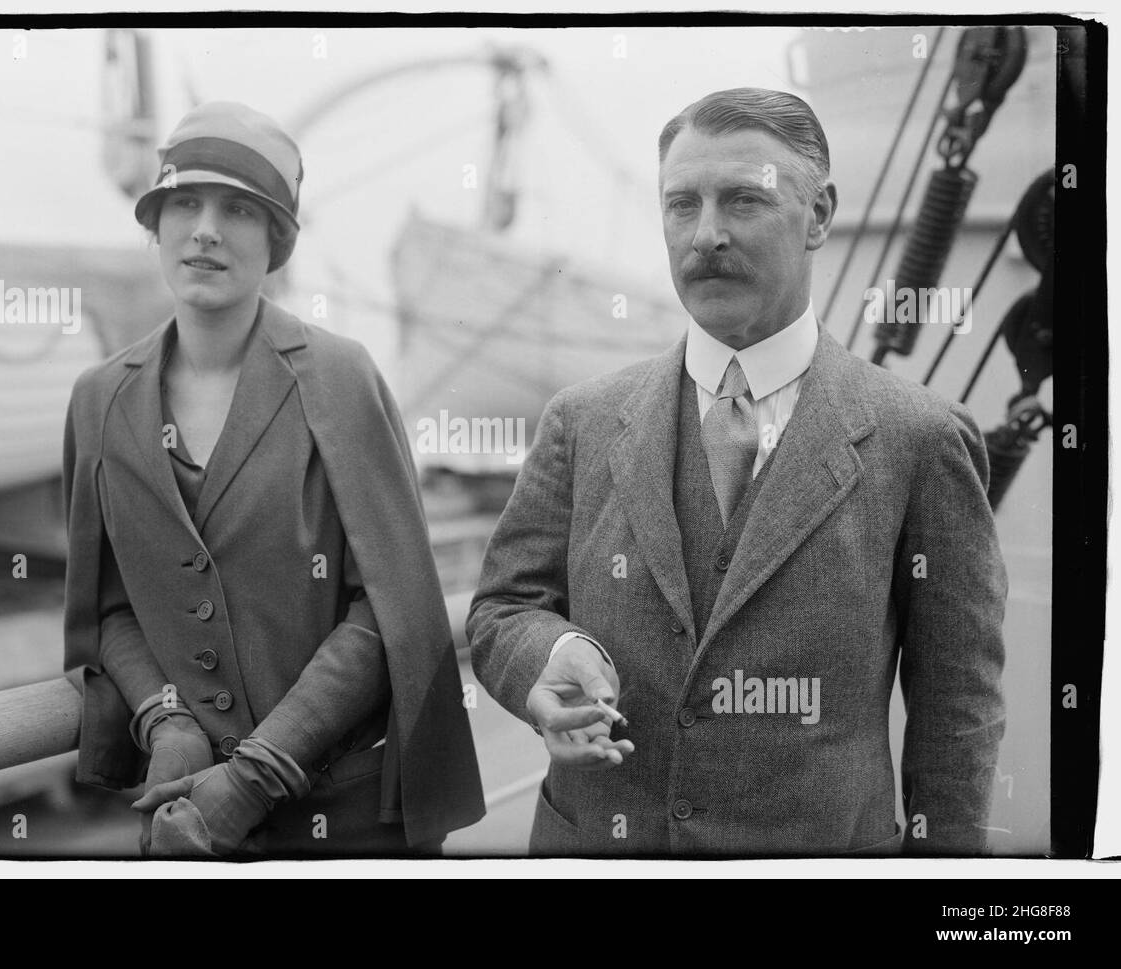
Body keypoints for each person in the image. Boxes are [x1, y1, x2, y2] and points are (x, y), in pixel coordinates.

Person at [467, 88, 1007, 857]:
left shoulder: (919, 438)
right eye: (681, 204)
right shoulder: (580, 421)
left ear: (818, 214)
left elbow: (958, 710)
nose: (706, 234)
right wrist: (552, 656)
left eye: (744, 200)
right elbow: (502, 607)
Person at [62, 101, 484, 857]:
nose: (206, 229)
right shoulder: (100, 399)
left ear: (277, 241)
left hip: (346, 820)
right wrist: (169, 721)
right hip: (183, 815)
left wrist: (256, 773)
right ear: (154, 226)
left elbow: (386, 603)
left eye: (240, 210)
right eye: (184, 202)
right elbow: (107, 605)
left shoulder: (340, 377)